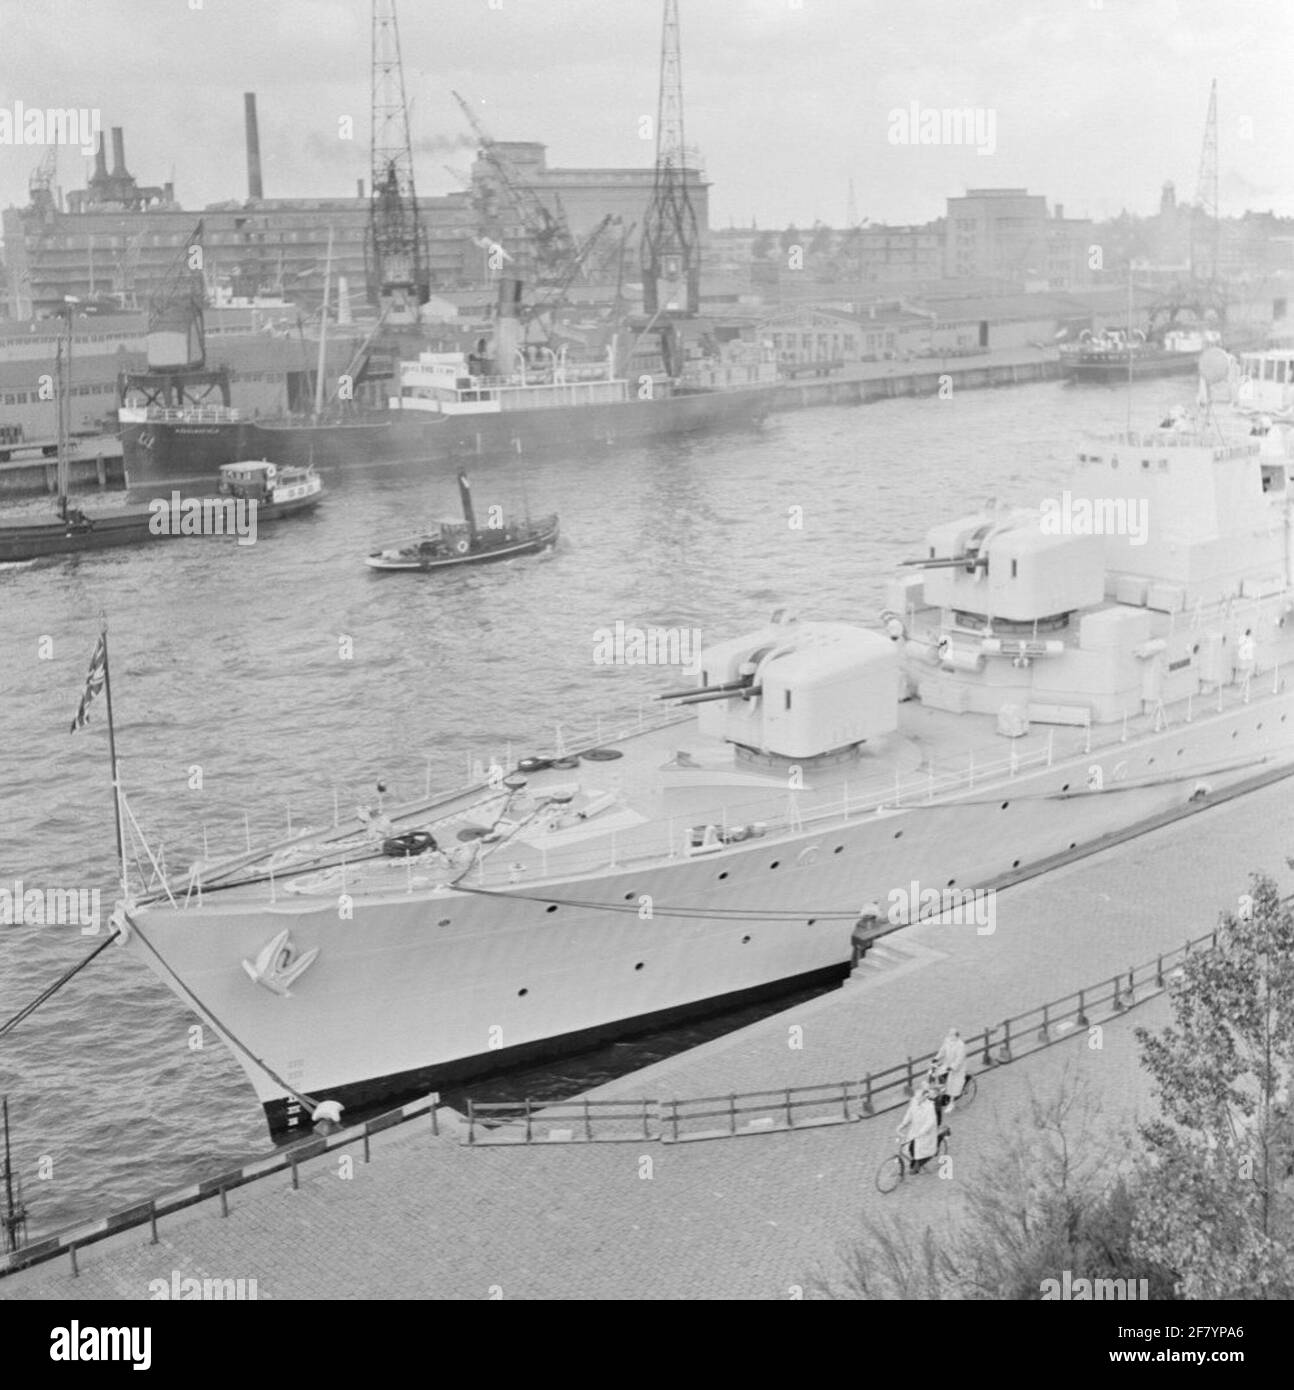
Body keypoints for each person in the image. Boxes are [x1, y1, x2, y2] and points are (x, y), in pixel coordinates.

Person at [896, 1085, 938, 1174]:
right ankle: (916, 1162)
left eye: (919, 1097)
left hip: (925, 1134)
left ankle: (918, 1165)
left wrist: (921, 1132)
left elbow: (930, 1123)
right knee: (910, 1148)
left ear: (924, 1097)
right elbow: (909, 1113)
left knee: (922, 1151)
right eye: (916, 1097)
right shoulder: (914, 1101)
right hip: (915, 1130)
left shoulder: (929, 1107)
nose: (916, 1099)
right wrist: (902, 1124)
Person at [933, 1027, 968, 1113]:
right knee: (936, 1074)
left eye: (952, 1035)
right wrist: (936, 1058)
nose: (950, 1036)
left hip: (957, 1067)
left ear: (957, 1036)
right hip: (947, 1063)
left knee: (953, 1083)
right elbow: (943, 1050)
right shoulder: (947, 1041)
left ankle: (951, 1102)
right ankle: (939, 1093)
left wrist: (953, 1067)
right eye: (950, 1035)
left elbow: (959, 1059)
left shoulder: (961, 1045)